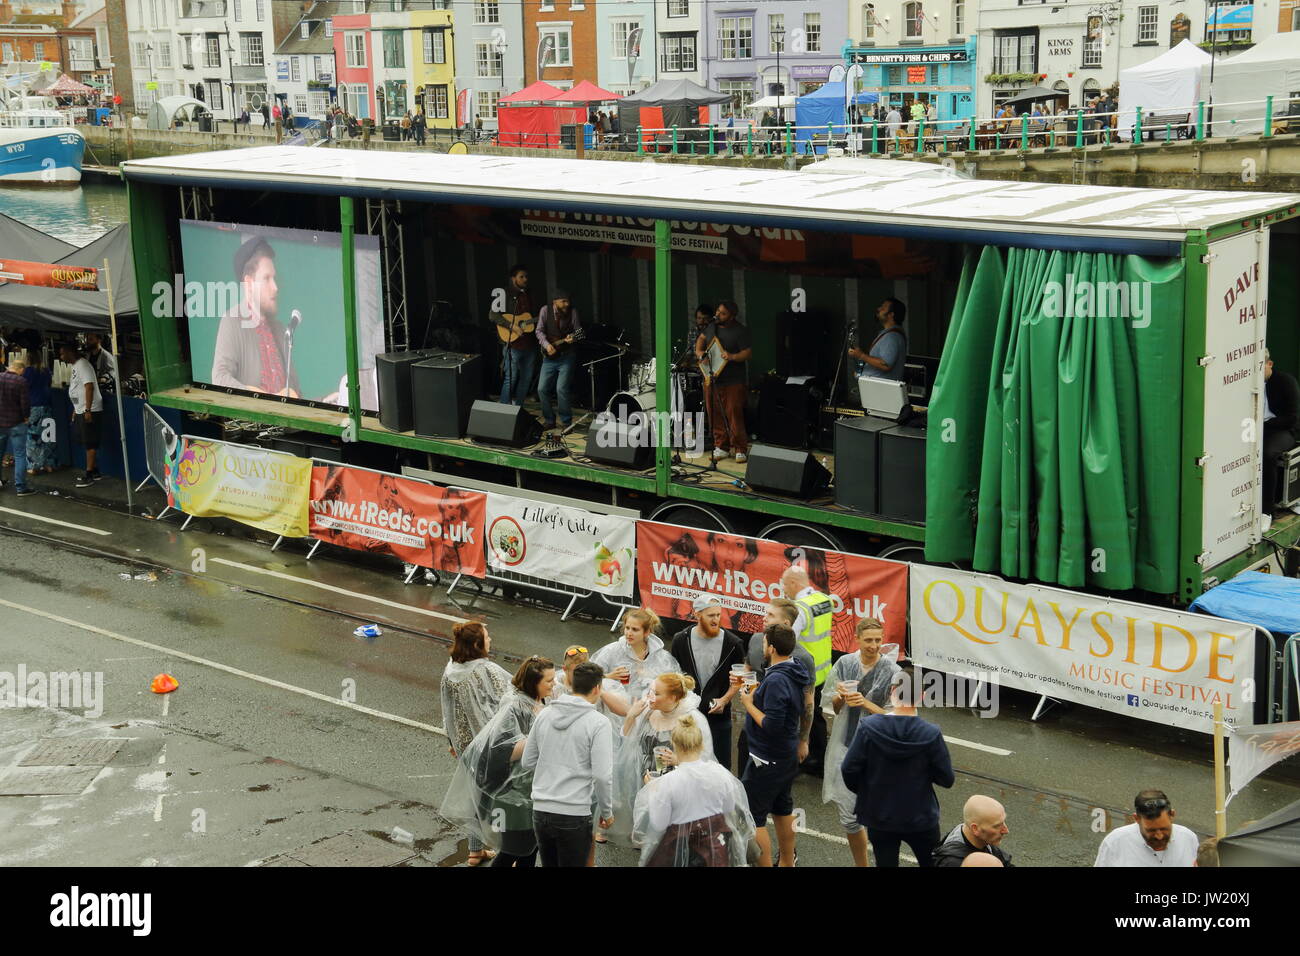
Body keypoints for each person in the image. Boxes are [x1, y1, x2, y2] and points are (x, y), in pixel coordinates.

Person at [439, 655, 555, 867]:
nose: (553, 684)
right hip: (512, 795)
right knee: (515, 851)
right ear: (533, 682)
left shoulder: (540, 700)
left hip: (531, 791)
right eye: (548, 681)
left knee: (530, 848)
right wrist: (538, 739)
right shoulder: (514, 706)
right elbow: (502, 749)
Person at [841, 669, 955, 867]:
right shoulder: (930, 733)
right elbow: (947, 779)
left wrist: (868, 790)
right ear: (922, 696)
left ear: (892, 691)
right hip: (920, 816)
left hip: (880, 814)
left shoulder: (869, 727)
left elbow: (849, 769)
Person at [823, 617, 901, 866]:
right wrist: (841, 698)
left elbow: (897, 717)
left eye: (878, 640)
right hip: (847, 747)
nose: (874, 645)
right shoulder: (845, 663)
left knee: (878, 815)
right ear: (856, 639)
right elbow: (832, 707)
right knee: (849, 817)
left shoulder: (892, 671)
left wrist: (865, 703)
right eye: (868, 640)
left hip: (878, 751)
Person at [522, 660, 615, 868]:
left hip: (541, 810)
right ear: (597, 688)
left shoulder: (545, 714)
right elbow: (602, 776)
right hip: (574, 813)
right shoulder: (599, 723)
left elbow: (527, 761)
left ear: (572, 685)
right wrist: (607, 813)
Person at [632, 714, 757, 866]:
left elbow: (658, 824)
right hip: (714, 850)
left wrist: (652, 790)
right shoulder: (721, 774)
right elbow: (729, 809)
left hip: (680, 851)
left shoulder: (668, 782)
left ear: (675, 744)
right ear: (701, 744)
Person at [439, 621, 513, 866]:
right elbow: (512, 694)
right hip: (490, 744)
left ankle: (474, 850)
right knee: (501, 796)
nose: (491, 639)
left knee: (475, 793)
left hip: (463, 743)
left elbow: (446, 707)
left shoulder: (451, 669)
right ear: (477, 644)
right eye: (487, 636)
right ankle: (509, 851)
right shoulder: (486, 669)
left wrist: (450, 738)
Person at [609, 672, 711, 845]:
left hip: (674, 785)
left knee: (669, 835)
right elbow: (626, 741)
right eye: (650, 691)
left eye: (656, 694)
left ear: (672, 697)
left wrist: (678, 760)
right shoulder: (648, 711)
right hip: (645, 778)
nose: (650, 696)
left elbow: (704, 758)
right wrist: (631, 716)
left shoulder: (690, 719)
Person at [738, 622, 808, 867]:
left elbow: (772, 725)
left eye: (765, 642)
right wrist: (759, 694)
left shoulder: (778, 680)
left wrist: (748, 703)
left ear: (772, 648)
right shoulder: (793, 669)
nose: (763, 645)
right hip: (785, 755)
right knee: (781, 809)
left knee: (752, 818)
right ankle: (787, 863)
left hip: (767, 758)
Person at [210, 236, 302, 399]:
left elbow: (295, 395)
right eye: (267, 279)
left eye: (274, 278)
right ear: (249, 283)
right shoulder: (232, 320)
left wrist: (325, 402)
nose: (275, 287)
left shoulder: (281, 331)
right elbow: (219, 378)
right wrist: (261, 398)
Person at [736, 598, 815, 773]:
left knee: (772, 790)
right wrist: (740, 680)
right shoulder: (756, 640)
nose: (764, 618)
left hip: (778, 739)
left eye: (770, 615)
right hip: (750, 730)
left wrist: (803, 741)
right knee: (744, 783)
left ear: (785, 623)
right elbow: (748, 668)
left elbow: (808, 703)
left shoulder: (804, 658)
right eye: (766, 613)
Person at [670, 593, 745, 768]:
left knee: (720, 767)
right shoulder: (681, 640)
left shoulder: (733, 644)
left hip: (718, 717)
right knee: (686, 764)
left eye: (718, 615)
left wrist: (724, 700)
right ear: (697, 615)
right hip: (687, 715)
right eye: (711, 615)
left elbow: (739, 679)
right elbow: (674, 675)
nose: (716, 620)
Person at [780, 564, 833, 772]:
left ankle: (805, 761)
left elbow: (786, 639)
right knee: (816, 715)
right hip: (823, 669)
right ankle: (819, 761)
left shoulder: (799, 608)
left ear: (793, 583)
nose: (783, 589)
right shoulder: (823, 599)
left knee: (802, 716)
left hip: (804, 672)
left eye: (784, 584)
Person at [694, 300, 752, 463]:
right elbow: (701, 340)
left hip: (733, 380)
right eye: (718, 311)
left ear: (732, 316)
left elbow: (747, 353)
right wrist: (700, 353)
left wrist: (732, 356)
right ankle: (721, 446)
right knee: (715, 412)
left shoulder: (740, 331)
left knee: (734, 413)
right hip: (712, 379)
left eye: (723, 313)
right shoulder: (711, 326)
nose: (718, 315)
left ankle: (740, 448)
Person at [590, 607, 680, 706]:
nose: (629, 633)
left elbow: (673, 686)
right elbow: (587, 677)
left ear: (647, 632)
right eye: (627, 628)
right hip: (615, 709)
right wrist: (608, 676)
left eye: (635, 629)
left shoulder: (662, 657)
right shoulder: (611, 651)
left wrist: (650, 680)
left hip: (648, 709)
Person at [1094, 789, 1198, 867]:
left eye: (1164, 828)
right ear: (1136, 818)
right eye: (1151, 830)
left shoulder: (1188, 838)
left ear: (1172, 815)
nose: (1159, 836)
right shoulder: (1115, 842)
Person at [535, 288, 583, 432]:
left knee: (561, 388)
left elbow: (579, 331)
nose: (567, 304)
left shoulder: (573, 312)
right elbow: (539, 331)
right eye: (563, 301)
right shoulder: (545, 310)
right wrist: (547, 345)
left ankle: (567, 422)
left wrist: (573, 338)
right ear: (555, 301)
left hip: (566, 356)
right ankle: (549, 420)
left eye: (568, 301)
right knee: (541, 389)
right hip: (549, 358)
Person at [491, 264, 537, 407]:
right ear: (513, 279)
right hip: (513, 343)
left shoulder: (528, 294)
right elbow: (492, 315)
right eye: (521, 276)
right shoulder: (504, 293)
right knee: (511, 377)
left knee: (526, 378)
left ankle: (518, 408)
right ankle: (504, 408)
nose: (525, 279)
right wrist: (513, 326)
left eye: (526, 276)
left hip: (529, 344)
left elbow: (529, 318)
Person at [1262, 349, 1300, 521]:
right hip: (1254, 428)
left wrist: (1265, 424)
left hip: (1281, 429)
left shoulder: (1285, 382)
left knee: (1268, 453)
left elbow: (1292, 418)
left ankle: (1267, 511)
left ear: (1269, 364)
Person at [60, 343, 104, 487]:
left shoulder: (83, 365)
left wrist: (87, 409)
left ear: (70, 352)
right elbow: (77, 388)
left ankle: (89, 474)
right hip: (81, 408)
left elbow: (89, 387)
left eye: (62, 354)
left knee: (90, 442)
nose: (61, 357)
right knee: (86, 441)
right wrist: (75, 408)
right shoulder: (75, 366)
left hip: (90, 409)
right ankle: (95, 471)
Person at [933, 795, 1014, 867]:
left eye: (1003, 822)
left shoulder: (968, 830)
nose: (1006, 830)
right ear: (975, 829)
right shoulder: (953, 862)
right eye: (997, 826)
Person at [850, 297, 907, 382]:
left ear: (891, 314)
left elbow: (885, 365)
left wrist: (861, 355)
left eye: (883, 308)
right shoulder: (888, 334)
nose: (878, 309)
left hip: (881, 391)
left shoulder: (892, 337)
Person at [0, 358, 34, 497]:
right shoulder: (21, 382)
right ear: (21, 370)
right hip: (16, 423)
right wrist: (26, 417)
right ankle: (21, 487)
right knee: (20, 455)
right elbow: (24, 403)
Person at [22, 352, 54, 476]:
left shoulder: (28, 371)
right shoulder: (46, 370)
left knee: (32, 437)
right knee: (48, 436)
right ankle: (49, 464)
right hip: (47, 405)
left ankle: (33, 467)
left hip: (33, 406)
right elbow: (49, 384)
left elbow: (23, 387)